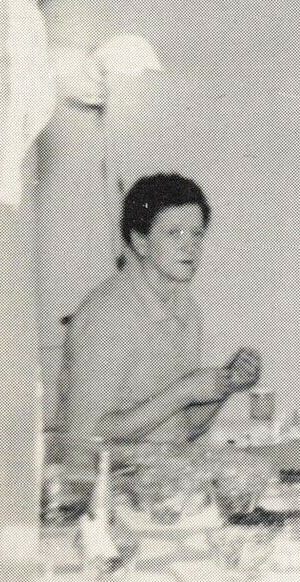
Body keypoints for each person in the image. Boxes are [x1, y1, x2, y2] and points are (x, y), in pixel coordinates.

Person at [54, 173, 262, 471]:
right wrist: (186, 390)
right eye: (174, 233)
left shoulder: (187, 309)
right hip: (98, 490)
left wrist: (226, 385)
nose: (189, 246)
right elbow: (86, 435)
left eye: (197, 234)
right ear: (140, 242)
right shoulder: (108, 314)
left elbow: (180, 427)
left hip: (160, 481)